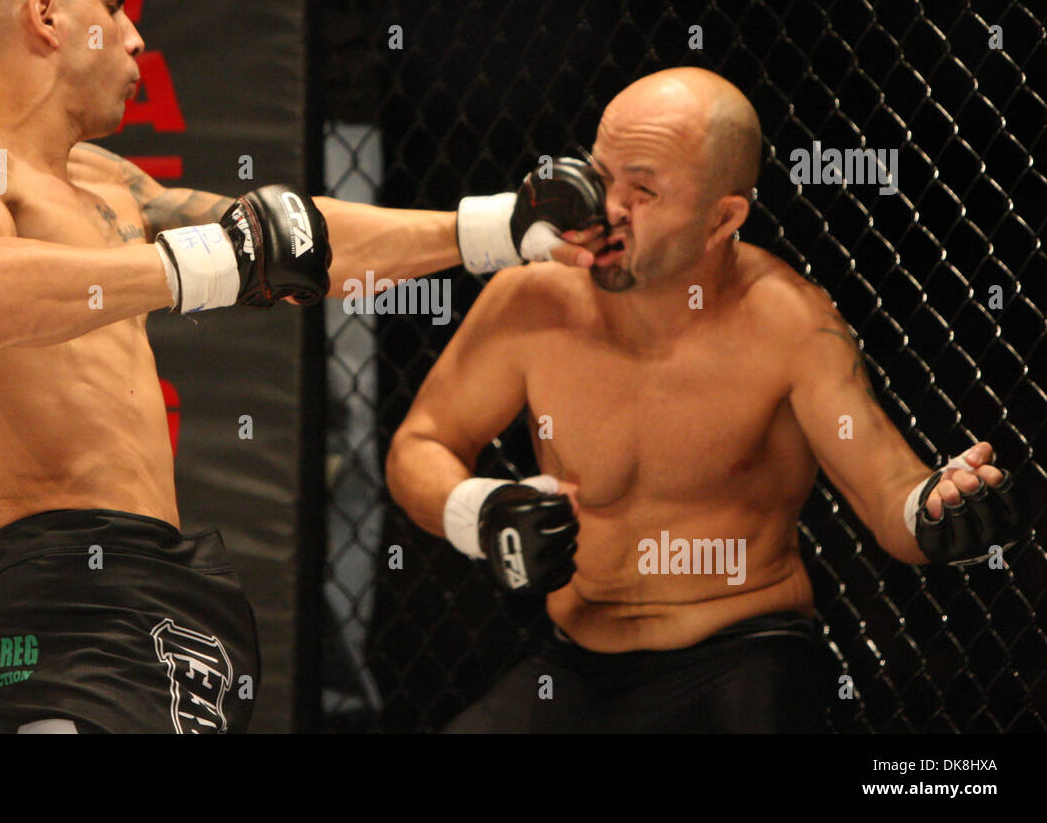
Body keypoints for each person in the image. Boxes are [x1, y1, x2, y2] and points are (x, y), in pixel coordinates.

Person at [0, 0, 604, 733]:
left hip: (173, 584)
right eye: (113, 5)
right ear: (45, 15)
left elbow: (296, 240)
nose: (136, 36)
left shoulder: (108, 183)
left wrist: (495, 227)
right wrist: (201, 267)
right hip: (68, 591)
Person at [385, 66, 1024, 733]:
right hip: (575, 667)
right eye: (601, 176)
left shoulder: (787, 322)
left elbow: (890, 493)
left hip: (743, 658)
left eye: (645, 189)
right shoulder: (535, 298)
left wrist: (940, 511)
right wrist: (477, 510)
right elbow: (420, 444)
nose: (607, 208)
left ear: (723, 218)